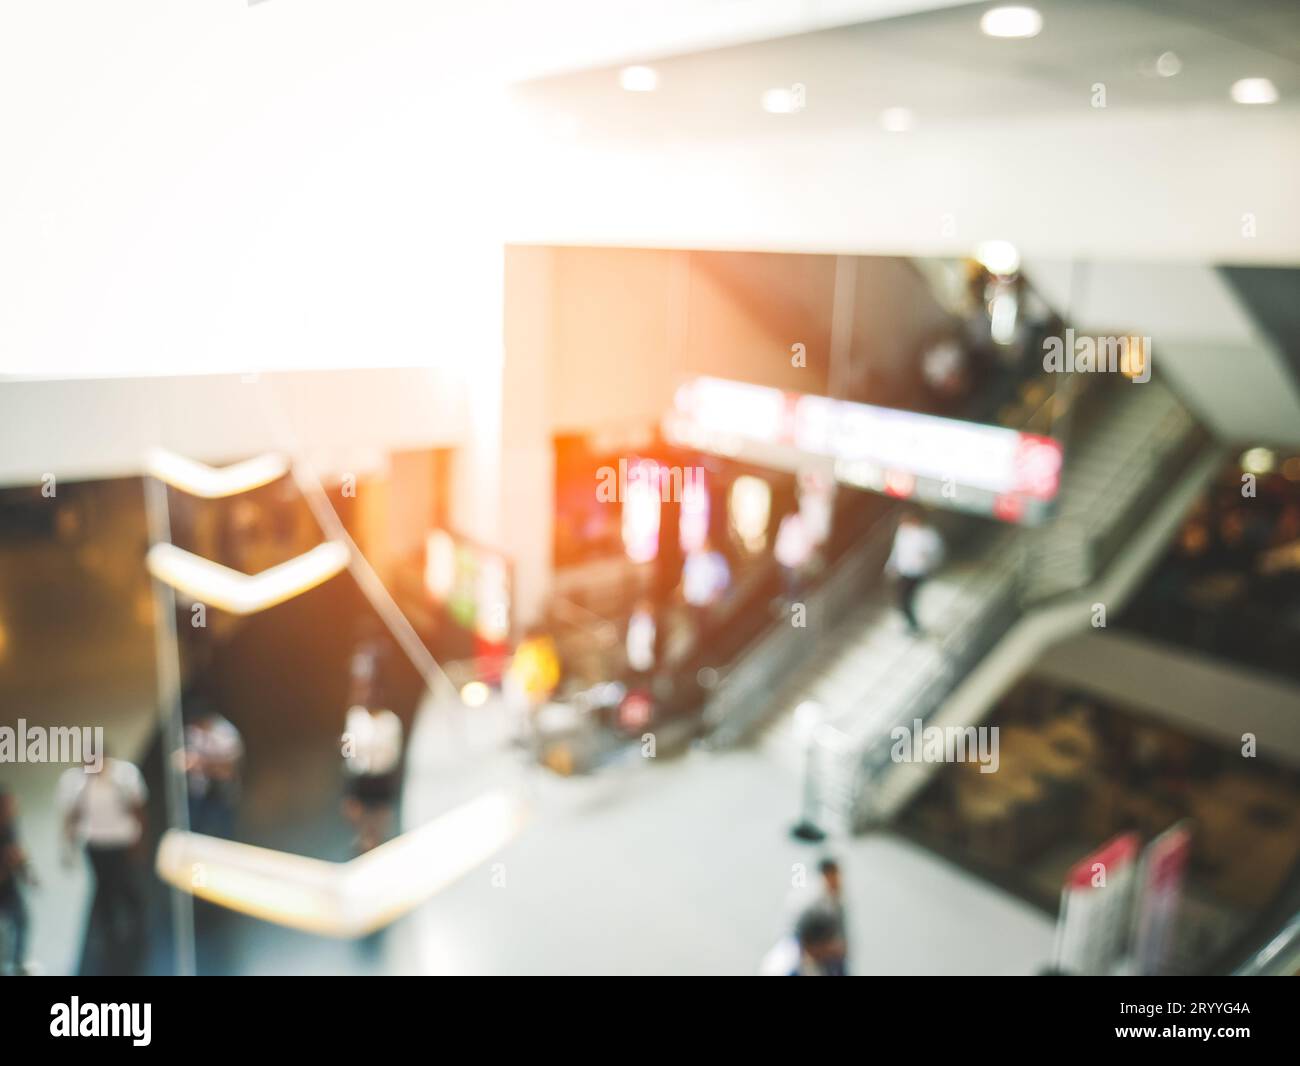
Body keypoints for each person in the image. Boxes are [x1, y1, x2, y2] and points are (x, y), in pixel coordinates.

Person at [57, 750, 148, 974]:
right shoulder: (75, 783)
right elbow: (71, 815)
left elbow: (137, 808)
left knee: (127, 883)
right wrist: (67, 846)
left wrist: (141, 839)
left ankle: (137, 925)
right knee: (103, 885)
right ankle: (108, 930)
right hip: (95, 844)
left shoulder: (124, 776)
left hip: (121, 841)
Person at [341, 696, 404, 854]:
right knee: (357, 814)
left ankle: (377, 843)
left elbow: (391, 755)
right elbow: (348, 752)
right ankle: (365, 842)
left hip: (381, 777)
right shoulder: (355, 717)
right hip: (359, 777)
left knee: (379, 816)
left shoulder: (390, 721)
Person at [176, 703, 244, 840]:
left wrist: (201, 762)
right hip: (198, 790)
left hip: (221, 789)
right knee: (195, 828)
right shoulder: (191, 731)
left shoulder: (225, 732)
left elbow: (229, 766)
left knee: (223, 830)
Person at [885, 509, 945, 635]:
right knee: (901, 599)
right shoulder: (904, 531)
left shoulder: (928, 535)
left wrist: (929, 563)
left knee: (907, 598)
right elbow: (897, 549)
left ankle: (913, 625)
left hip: (918, 572)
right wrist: (891, 565)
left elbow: (937, 553)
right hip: (904, 570)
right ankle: (910, 624)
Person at [0, 785, 36, 975]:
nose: (13, 811)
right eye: (8, 806)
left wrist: (28, 874)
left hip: (9, 889)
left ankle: (17, 964)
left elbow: (18, 855)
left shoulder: (10, 828)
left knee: (22, 921)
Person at [773, 510, 815, 604]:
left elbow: (806, 543)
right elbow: (781, 538)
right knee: (787, 583)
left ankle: (796, 604)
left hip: (794, 561)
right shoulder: (787, 521)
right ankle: (791, 601)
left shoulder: (802, 524)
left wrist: (803, 559)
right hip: (785, 559)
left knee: (794, 584)